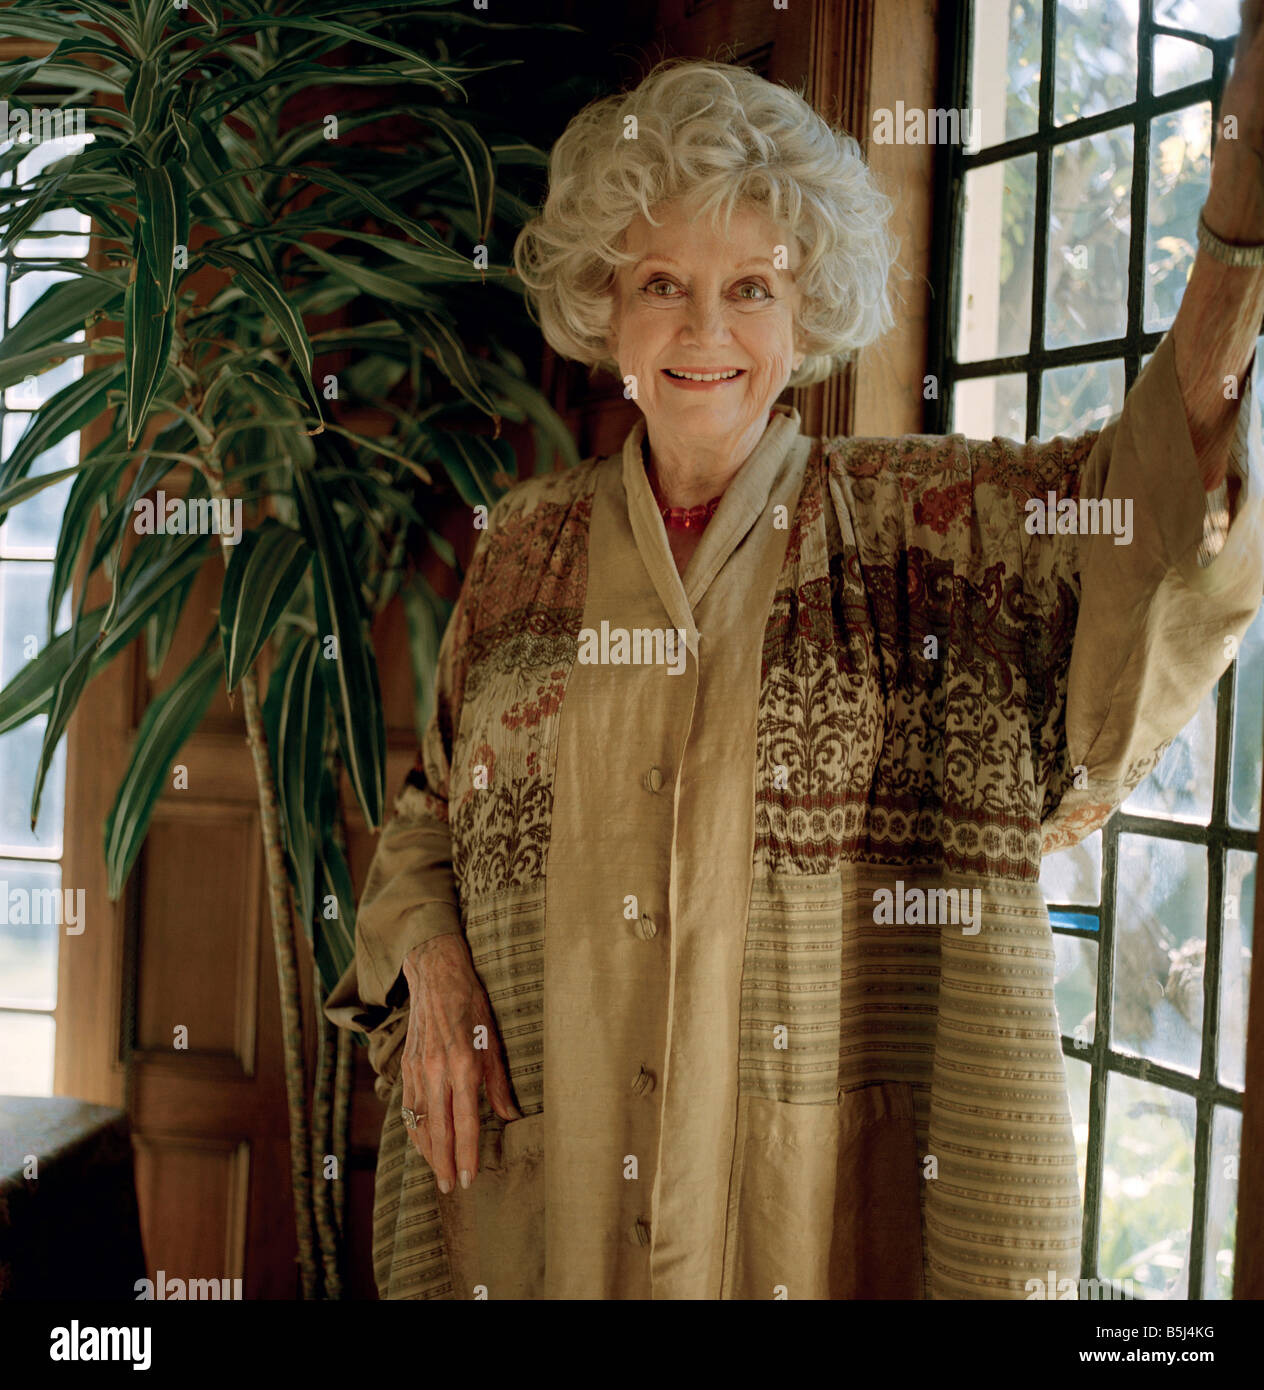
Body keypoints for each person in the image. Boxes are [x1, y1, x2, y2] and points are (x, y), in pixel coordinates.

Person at [325, 37, 1264, 1299]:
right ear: (607, 307)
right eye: (663, 280)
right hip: (543, 1209)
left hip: (812, 1220)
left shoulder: (925, 536)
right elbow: (428, 817)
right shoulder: (521, 553)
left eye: (752, 289)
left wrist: (1235, 232)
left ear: (807, 310)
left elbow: (1147, 500)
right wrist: (426, 958)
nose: (705, 329)